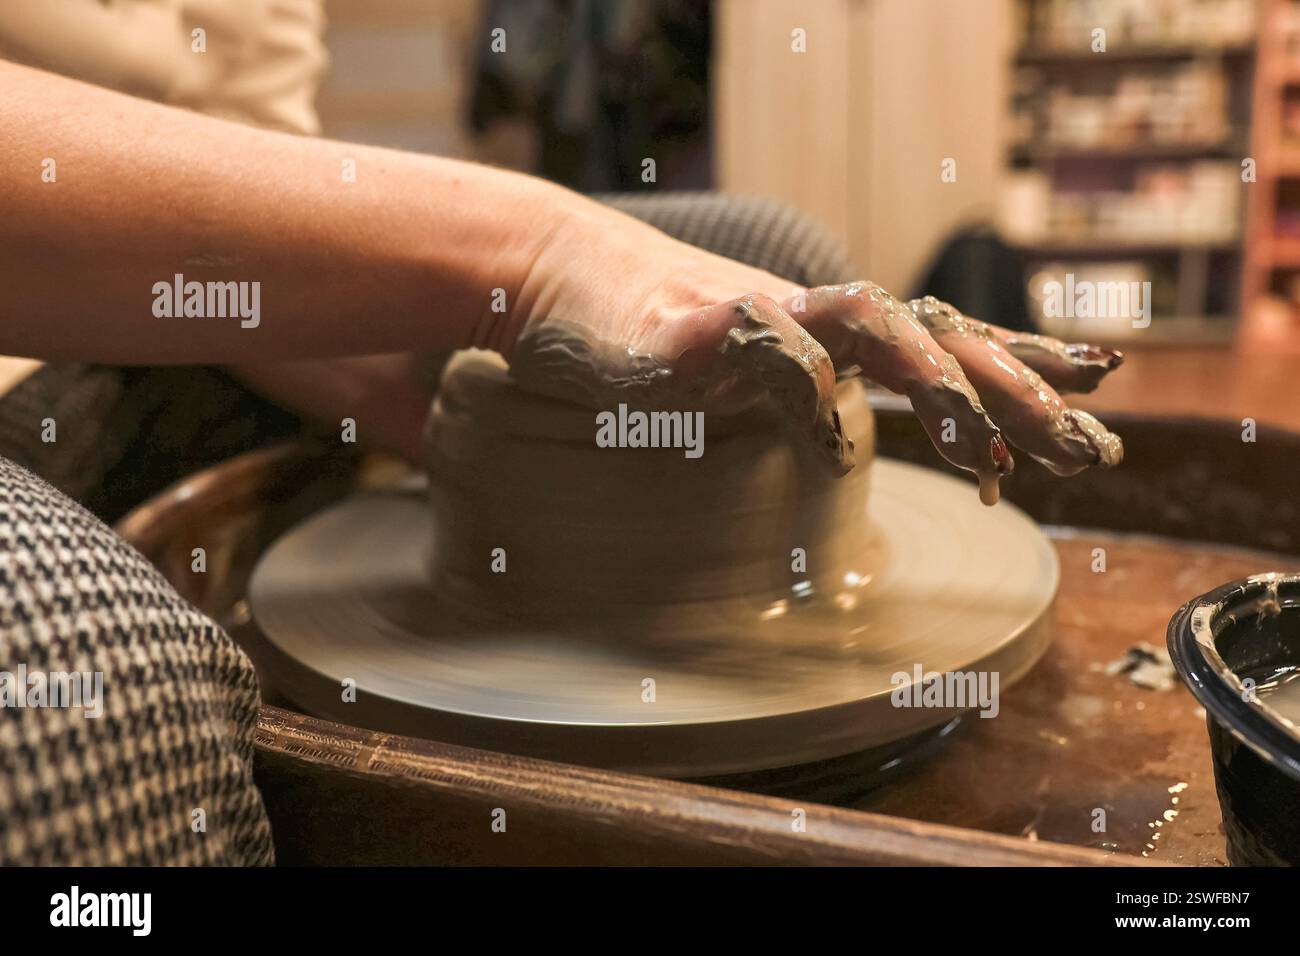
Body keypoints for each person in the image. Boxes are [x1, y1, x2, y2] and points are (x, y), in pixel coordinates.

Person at [0, 2, 1122, 865]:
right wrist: (524, 257)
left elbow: (234, 162)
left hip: (155, 275)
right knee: (87, 693)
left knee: (771, 272)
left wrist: (480, 412)